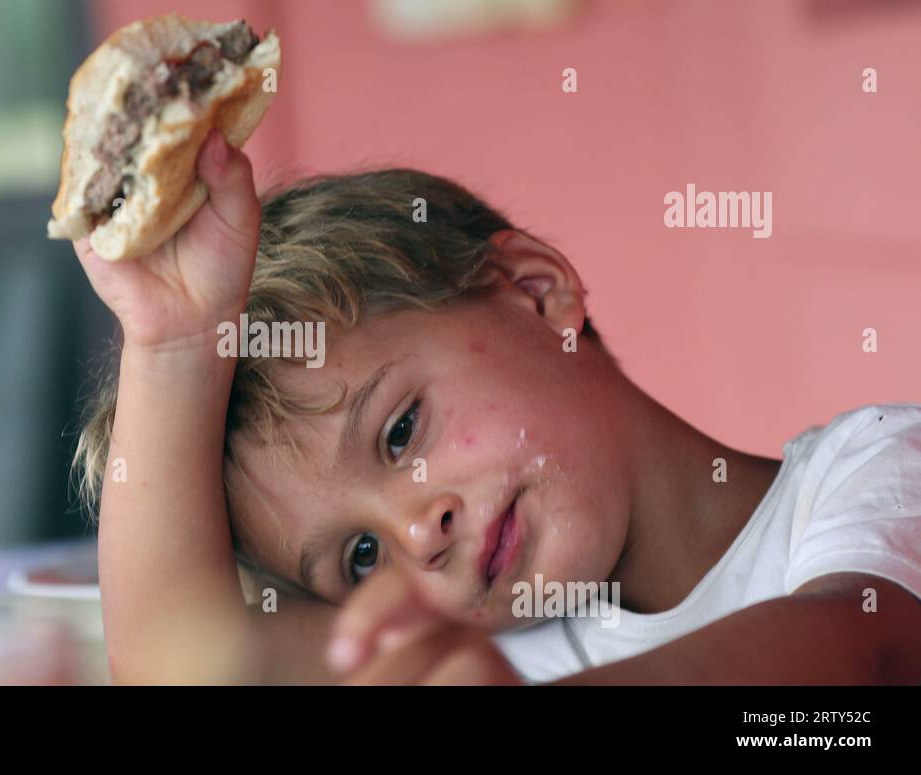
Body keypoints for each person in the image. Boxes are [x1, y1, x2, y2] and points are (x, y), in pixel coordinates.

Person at [71, 129, 921, 684]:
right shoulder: (476, 657)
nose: (416, 535)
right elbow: (179, 661)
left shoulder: (872, 472)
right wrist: (175, 347)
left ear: (535, 291)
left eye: (400, 430)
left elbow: (859, 672)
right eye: (361, 557)